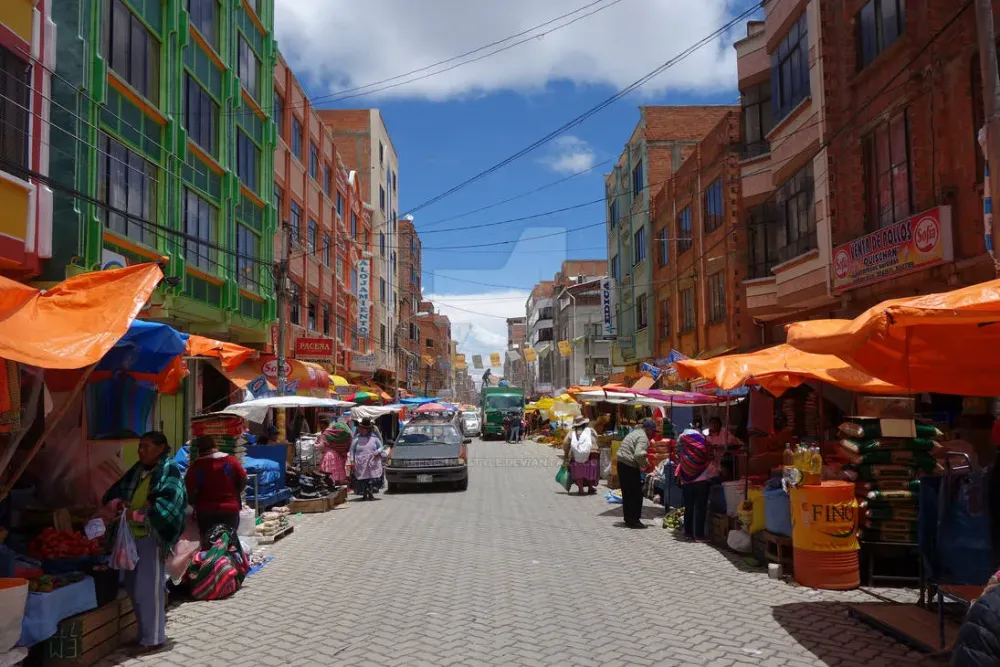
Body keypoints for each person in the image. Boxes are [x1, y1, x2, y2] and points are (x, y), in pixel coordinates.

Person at [101, 431, 187, 654]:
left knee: (148, 589)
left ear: (161, 448)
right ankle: (144, 635)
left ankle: (153, 639)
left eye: (146, 446)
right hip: (131, 538)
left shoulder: (170, 470)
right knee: (133, 587)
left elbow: (170, 506)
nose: (140, 450)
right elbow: (115, 491)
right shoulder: (138, 470)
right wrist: (120, 504)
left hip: (152, 538)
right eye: (140, 446)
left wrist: (139, 515)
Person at [184, 435, 247, 545]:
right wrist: (234, 493)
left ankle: (211, 561)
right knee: (229, 543)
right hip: (230, 510)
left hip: (206, 512)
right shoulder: (231, 461)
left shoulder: (196, 466)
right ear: (216, 446)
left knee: (209, 545)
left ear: (199, 450)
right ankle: (228, 561)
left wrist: (194, 503)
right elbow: (243, 479)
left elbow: (190, 490)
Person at [675, 429, 714, 542]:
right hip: (702, 479)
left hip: (686, 481)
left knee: (689, 508)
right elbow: (710, 456)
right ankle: (699, 536)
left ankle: (688, 533)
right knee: (700, 508)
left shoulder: (683, 445)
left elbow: (679, 459)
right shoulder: (704, 442)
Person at [617, 419, 656, 529]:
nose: (653, 434)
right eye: (653, 431)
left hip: (621, 462)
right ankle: (634, 520)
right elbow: (638, 455)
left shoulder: (635, 432)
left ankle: (628, 518)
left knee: (627, 493)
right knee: (636, 494)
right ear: (648, 430)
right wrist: (646, 464)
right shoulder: (643, 438)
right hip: (629, 465)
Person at [348, 417, 385, 500]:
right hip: (361, 462)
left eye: (363, 428)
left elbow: (381, 447)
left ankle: (371, 493)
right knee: (363, 479)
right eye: (360, 428)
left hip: (372, 461)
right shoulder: (356, 438)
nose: (360, 430)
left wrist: (378, 451)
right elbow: (352, 450)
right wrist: (352, 460)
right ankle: (364, 494)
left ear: (367, 429)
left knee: (371, 479)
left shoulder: (374, 437)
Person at [563, 416, 599, 495]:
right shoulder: (591, 430)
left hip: (577, 455)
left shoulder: (572, 432)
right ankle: (590, 488)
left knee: (579, 471)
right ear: (585, 423)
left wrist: (566, 455)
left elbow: (566, 443)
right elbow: (596, 438)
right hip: (592, 452)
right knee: (590, 470)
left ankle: (581, 489)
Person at [319, 419, 352, 486]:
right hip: (337, 455)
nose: (321, 428)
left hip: (329, 455)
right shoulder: (334, 433)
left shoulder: (326, 434)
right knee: (336, 472)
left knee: (329, 472)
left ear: (325, 425)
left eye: (321, 427)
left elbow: (321, 447)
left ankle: (331, 484)